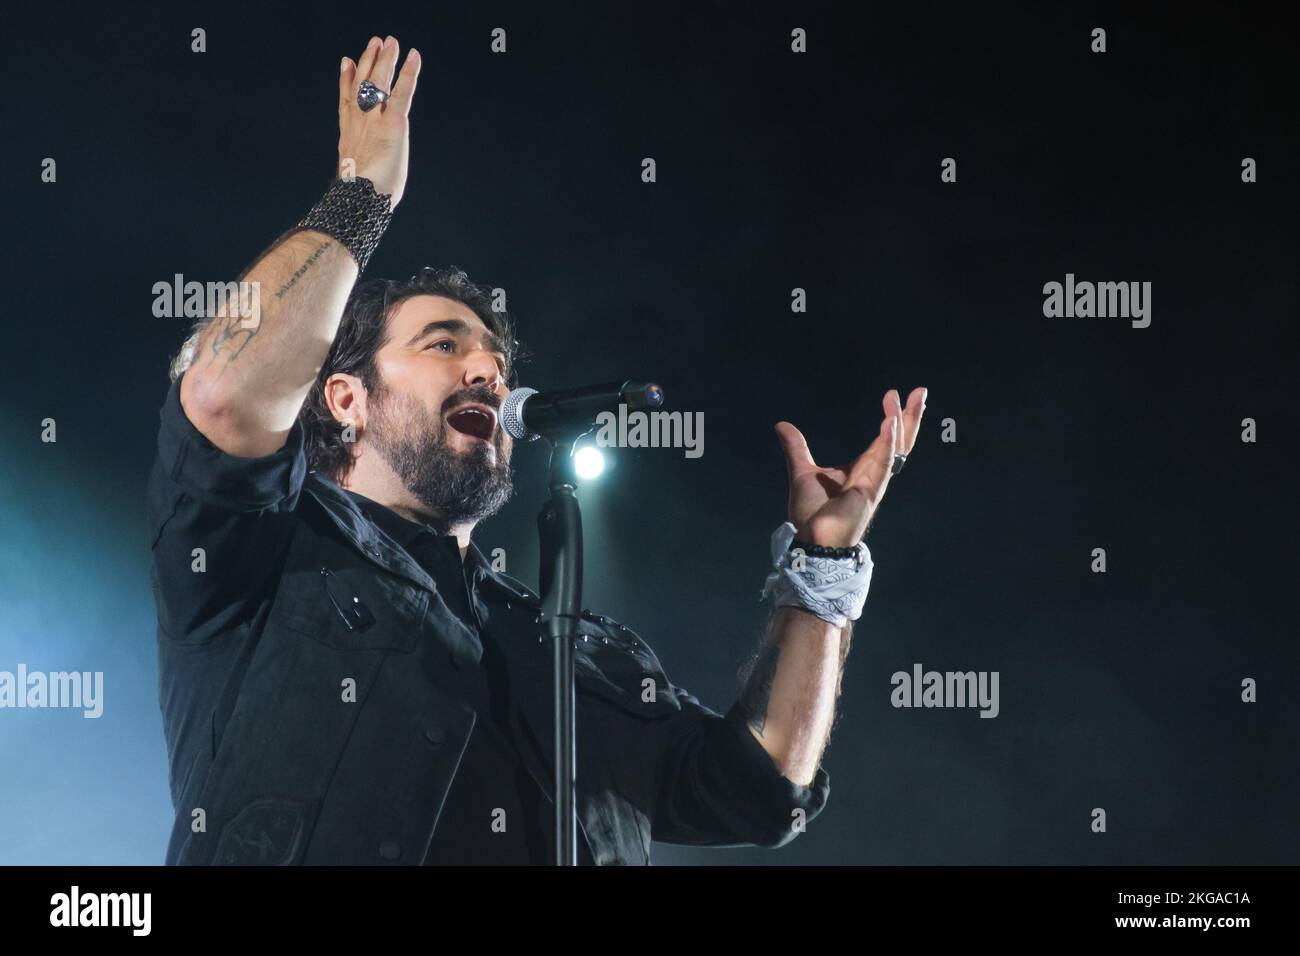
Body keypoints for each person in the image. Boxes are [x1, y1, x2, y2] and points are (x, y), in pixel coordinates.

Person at [148, 34, 928, 865]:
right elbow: (224, 395)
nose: (486, 366)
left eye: (494, 356)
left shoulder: (573, 645)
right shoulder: (270, 548)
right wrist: (362, 195)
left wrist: (823, 569)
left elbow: (760, 787)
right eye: (443, 343)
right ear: (347, 398)